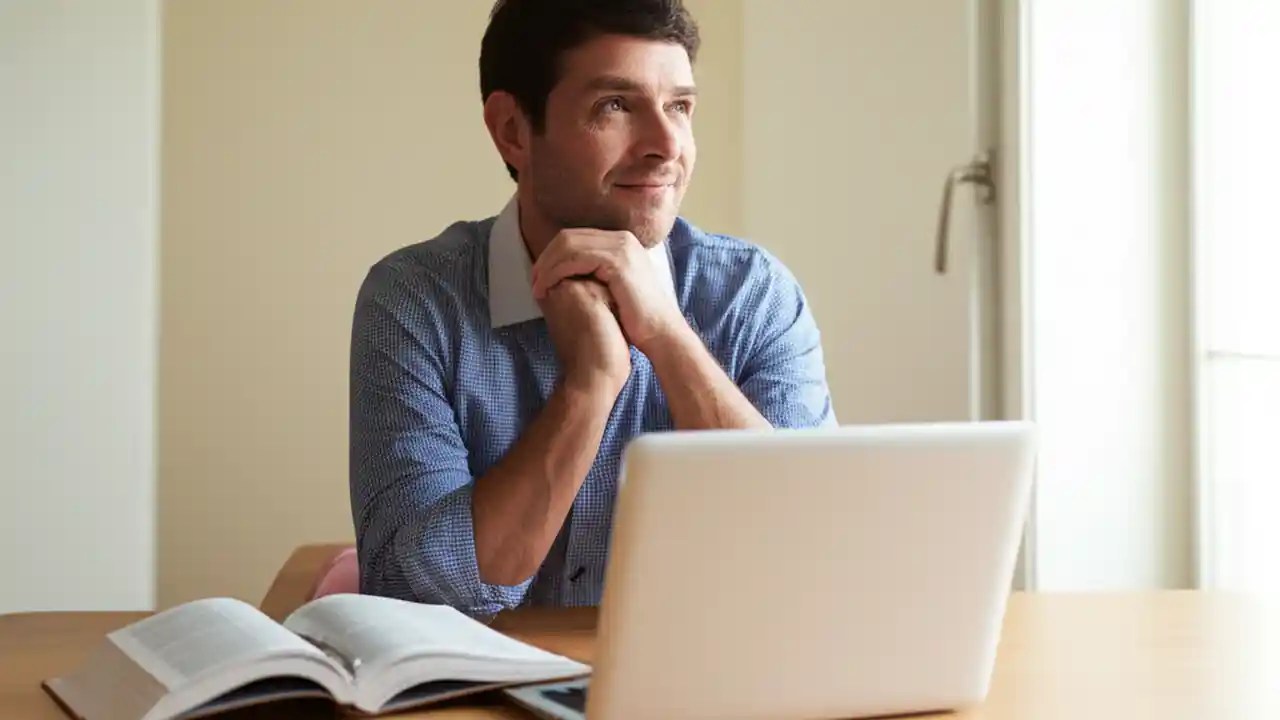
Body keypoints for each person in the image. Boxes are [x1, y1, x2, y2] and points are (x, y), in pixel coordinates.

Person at [349, 0, 835, 618]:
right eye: (616, 106)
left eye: (680, 107)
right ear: (513, 130)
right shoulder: (416, 300)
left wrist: (664, 335)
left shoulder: (754, 294)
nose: (666, 146)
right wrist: (590, 384)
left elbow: (811, 556)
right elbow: (412, 596)